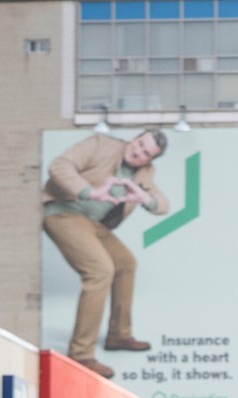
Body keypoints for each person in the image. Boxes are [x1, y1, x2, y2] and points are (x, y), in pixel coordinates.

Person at [41, 129, 170, 377]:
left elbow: (163, 204)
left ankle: (119, 335)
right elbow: (59, 166)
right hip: (64, 212)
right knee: (100, 270)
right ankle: (81, 354)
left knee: (126, 264)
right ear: (134, 138)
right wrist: (90, 192)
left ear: (149, 160)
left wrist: (144, 197)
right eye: (139, 144)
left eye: (146, 153)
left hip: (95, 224)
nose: (138, 152)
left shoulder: (144, 173)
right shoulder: (100, 144)